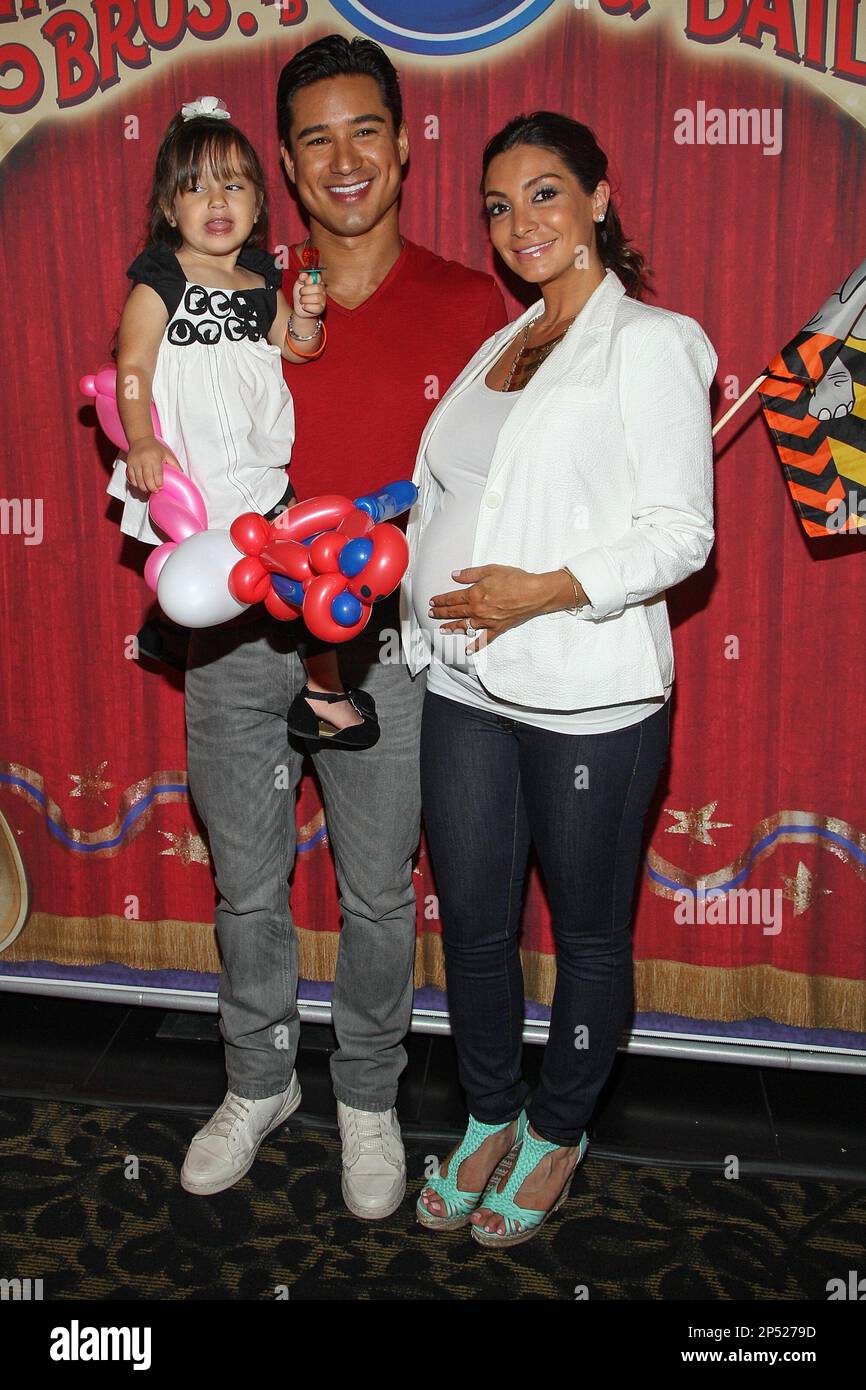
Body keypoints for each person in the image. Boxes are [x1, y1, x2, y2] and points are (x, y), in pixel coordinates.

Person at [178, 36, 507, 1214]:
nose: (342, 157)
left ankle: (367, 1099)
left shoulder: (475, 305)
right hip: (236, 640)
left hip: (387, 649)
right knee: (246, 886)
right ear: (282, 159)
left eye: (363, 128)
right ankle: (258, 1081)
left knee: (377, 894)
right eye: (313, 137)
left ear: (406, 141)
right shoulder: (227, 301)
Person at [401, 111, 717, 1248]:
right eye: (497, 204)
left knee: (585, 934)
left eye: (543, 193)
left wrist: (541, 589)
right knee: (476, 926)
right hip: (462, 686)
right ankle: (488, 1111)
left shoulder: (652, 342)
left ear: (596, 196)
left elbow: (680, 534)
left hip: (588, 694)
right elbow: (446, 499)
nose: (519, 221)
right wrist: (400, 607)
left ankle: (557, 1126)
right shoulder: (505, 341)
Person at [110, 95, 377, 748]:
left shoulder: (261, 279)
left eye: (234, 185)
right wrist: (142, 436)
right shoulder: (159, 280)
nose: (218, 201)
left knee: (303, 569)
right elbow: (132, 364)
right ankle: (170, 630)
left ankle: (322, 691)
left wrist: (309, 313)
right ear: (171, 209)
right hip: (193, 479)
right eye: (196, 188)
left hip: (261, 473)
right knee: (201, 576)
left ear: (258, 204)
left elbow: (298, 348)